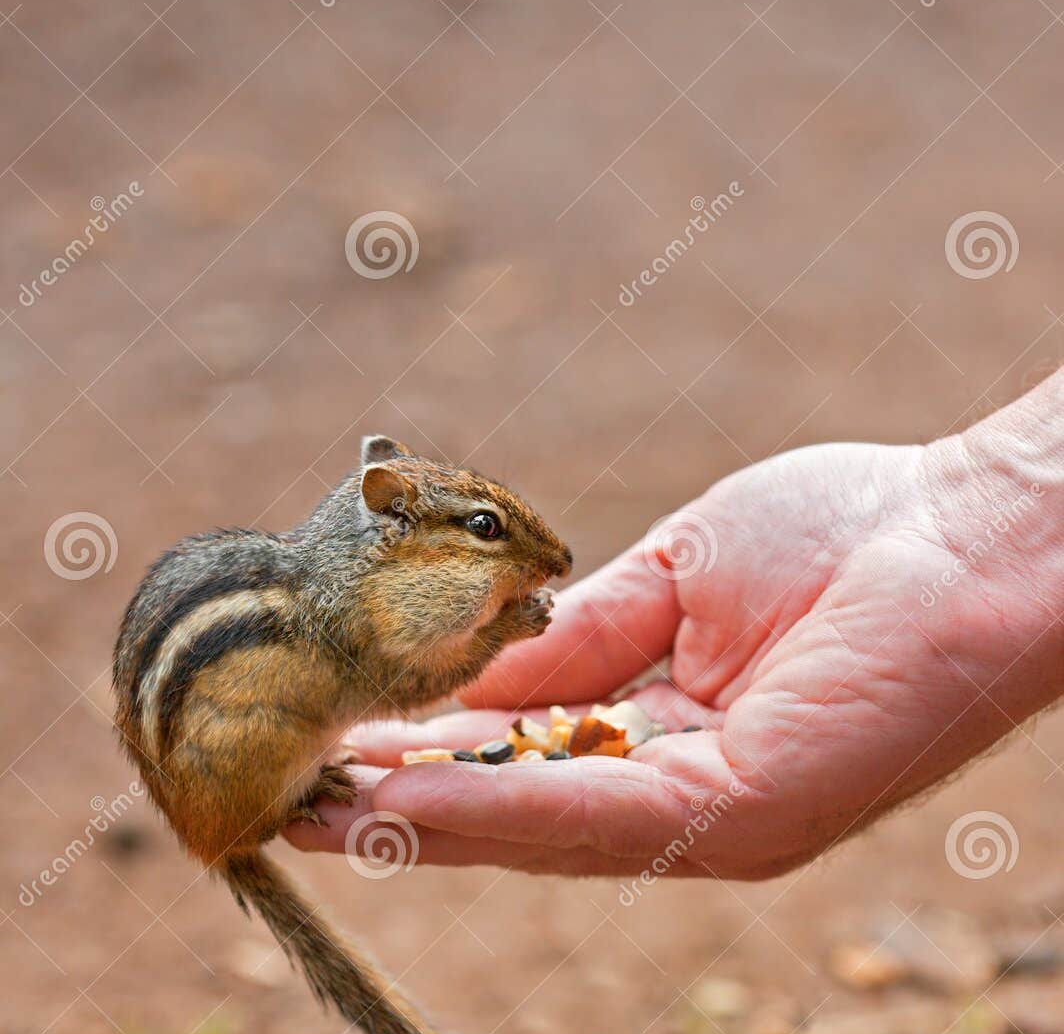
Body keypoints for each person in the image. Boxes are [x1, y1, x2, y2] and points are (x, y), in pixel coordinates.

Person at [287, 370, 1063, 881]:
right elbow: (420, 675)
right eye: (488, 533)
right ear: (390, 514)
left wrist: (990, 513)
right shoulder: (374, 615)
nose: (552, 563)